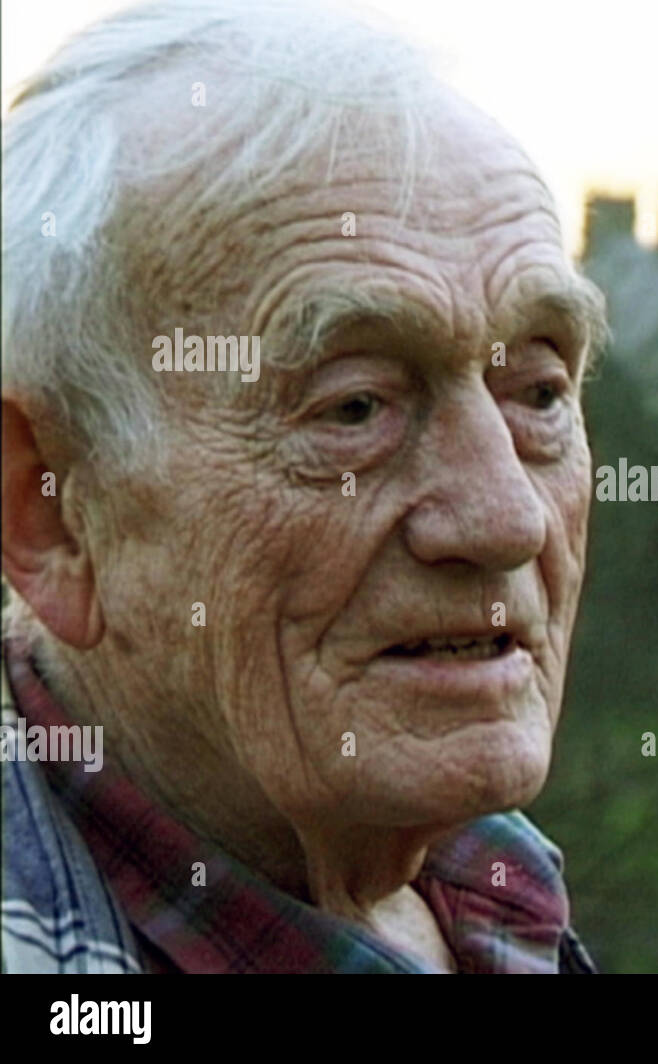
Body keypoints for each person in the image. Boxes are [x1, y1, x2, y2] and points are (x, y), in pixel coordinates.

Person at [1, 0, 606, 974]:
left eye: (538, 390)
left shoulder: (492, 894)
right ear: (50, 510)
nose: (505, 516)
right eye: (355, 408)